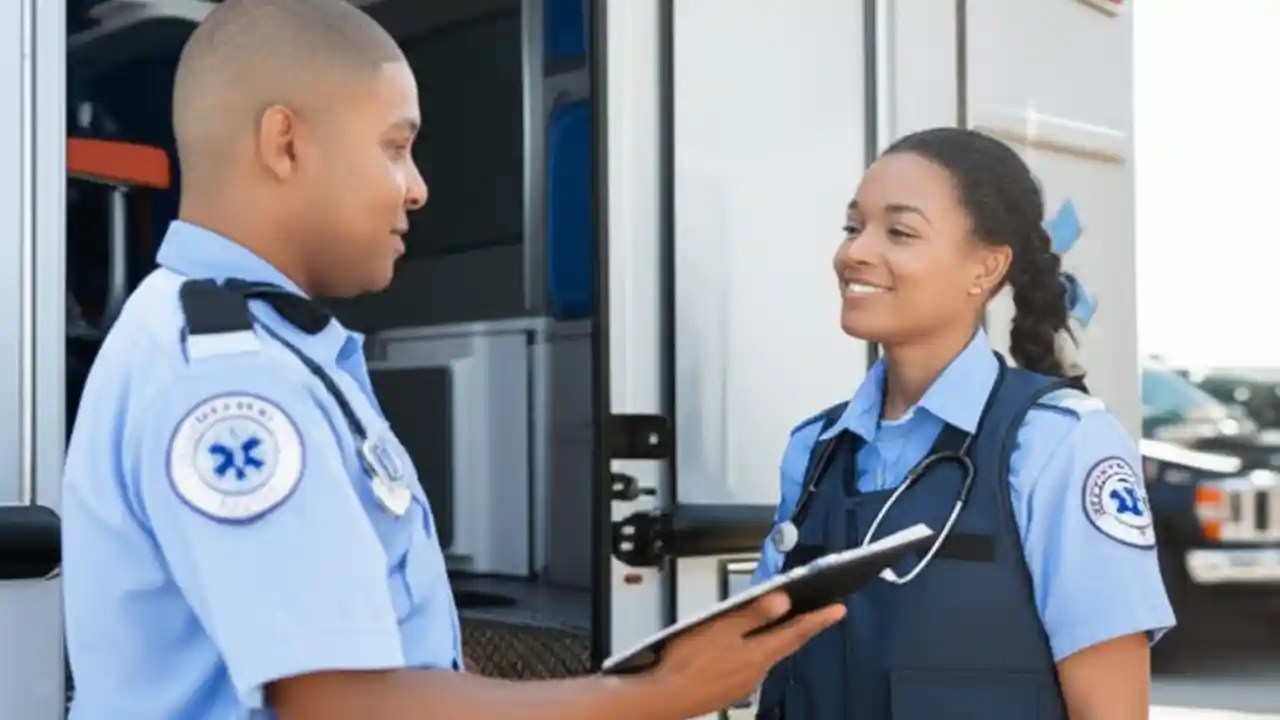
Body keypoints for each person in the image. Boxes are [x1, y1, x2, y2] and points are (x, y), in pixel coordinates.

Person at [59, 1, 845, 718]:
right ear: (284, 143)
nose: (418, 188)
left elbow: (392, 659)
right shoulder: (231, 377)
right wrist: (654, 697)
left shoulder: (259, 346)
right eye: (395, 147)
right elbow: (342, 706)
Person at [749, 127, 1176, 720]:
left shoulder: (1057, 444)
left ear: (986, 267)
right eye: (854, 227)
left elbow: (1111, 710)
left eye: (899, 232)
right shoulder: (814, 452)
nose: (854, 253)